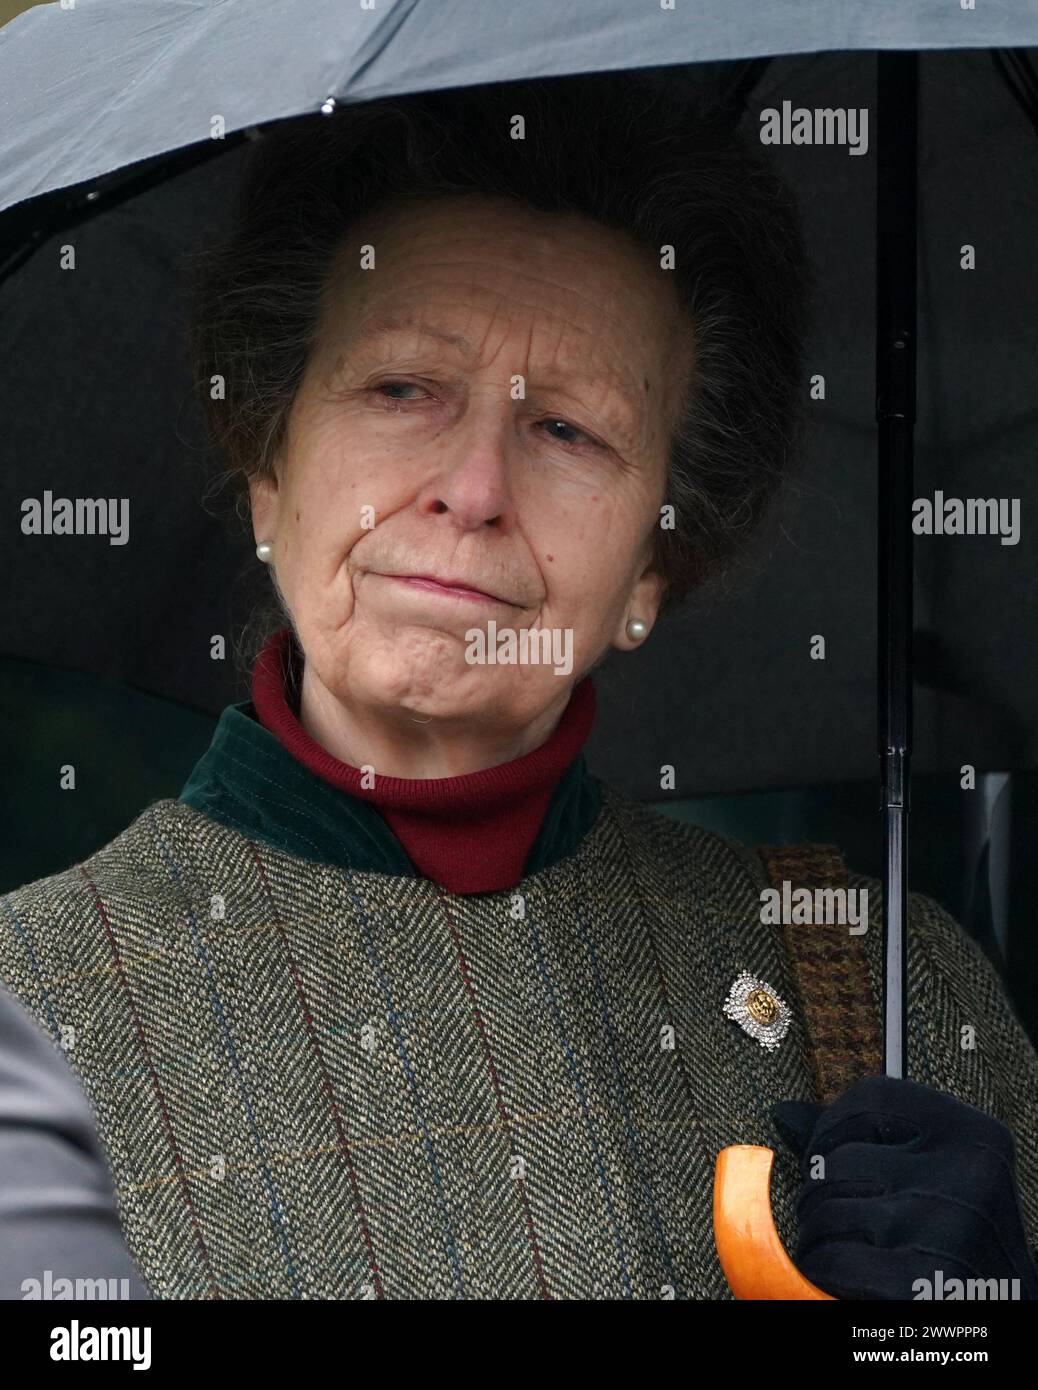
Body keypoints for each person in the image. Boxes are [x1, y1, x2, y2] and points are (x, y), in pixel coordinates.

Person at [1, 73, 1036, 1300]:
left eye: (569, 430)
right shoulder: (34, 1012)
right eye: (401, 388)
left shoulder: (887, 991)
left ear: (656, 561)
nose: (475, 487)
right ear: (270, 475)